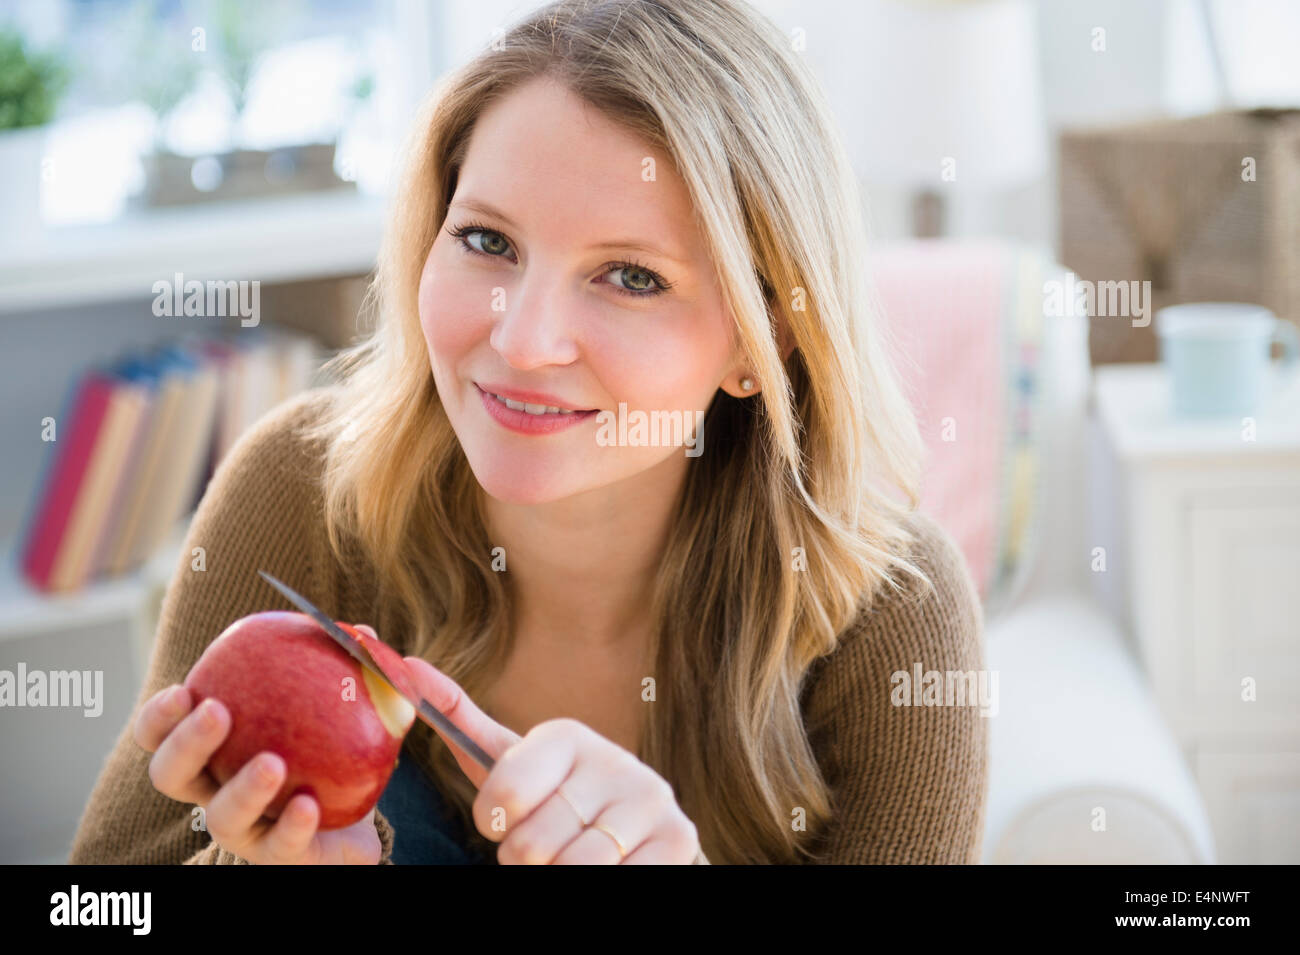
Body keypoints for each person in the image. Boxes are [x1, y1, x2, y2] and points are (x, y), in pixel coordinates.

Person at [69, 0, 987, 866]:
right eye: (488, 242)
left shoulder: (894, 615)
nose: (520, 339)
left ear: (762, 341)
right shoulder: (298, 486)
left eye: (630, 277)